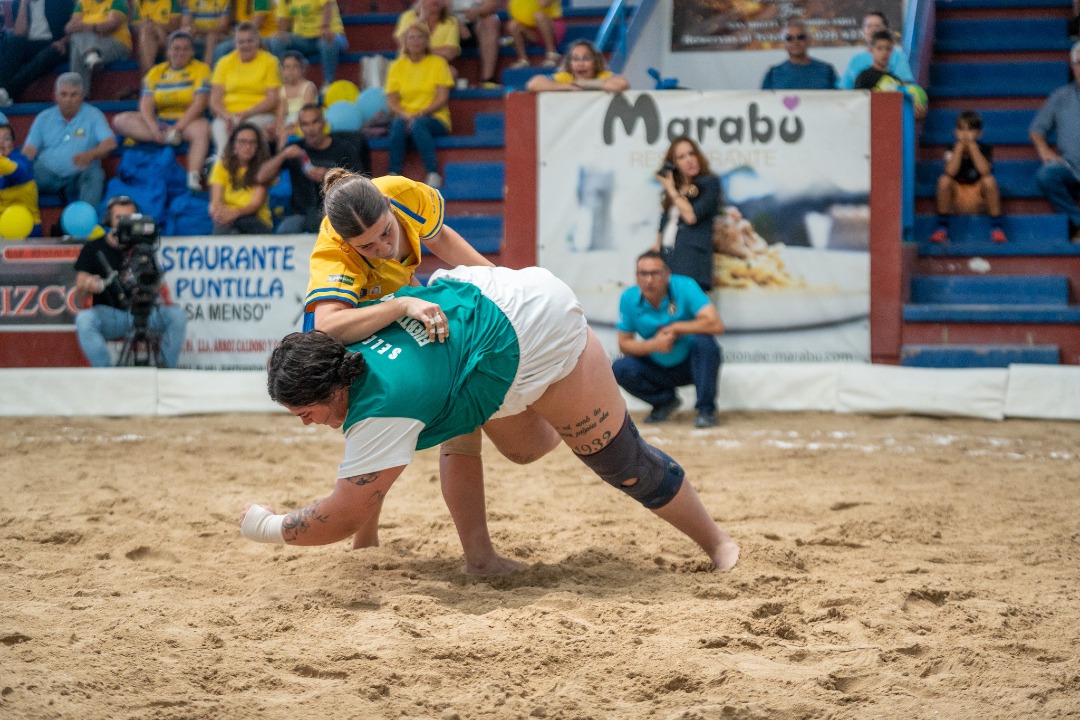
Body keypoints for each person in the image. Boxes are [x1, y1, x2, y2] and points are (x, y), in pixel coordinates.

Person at [240, 265, 741, 574]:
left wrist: (265, 526)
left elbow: (343, 509)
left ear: (332, 387)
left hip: (538, 328)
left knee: (623, 463)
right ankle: (481, 560)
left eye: (306, 414)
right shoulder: (344, 342)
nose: (307, 424)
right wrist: (367, 537)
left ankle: (718, 544)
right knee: (516, 447)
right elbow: (368, 465)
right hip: (474, 322)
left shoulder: (382, 408)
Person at [303, 169, 509, 574]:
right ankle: (367, 543)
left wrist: (499, 281)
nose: (382, 246)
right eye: (367, 245)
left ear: (388, 206)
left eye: (386, 232)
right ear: (345, 243)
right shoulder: (332, 251)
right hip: (359, 327)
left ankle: (476, 556)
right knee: (379, 437)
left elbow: (442, 237)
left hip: (405, 297)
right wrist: (400, 306)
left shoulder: (400, 191)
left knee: (459, 414)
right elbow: (328, 326)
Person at [72, 195, 188, 367]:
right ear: (108, 220)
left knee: (177, 316)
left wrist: (154, 284)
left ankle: (166, 370)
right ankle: (105, 373)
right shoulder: (93, 248)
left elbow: (156, 283)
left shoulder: (144, 246)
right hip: (112, 315)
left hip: (145, 312)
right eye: (119, 218)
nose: (124, 223)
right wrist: (88, 285)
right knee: (85, 320)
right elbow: (80, 290)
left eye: (129, 218)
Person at [612, 251, 723, 428]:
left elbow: (715, 324)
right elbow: (624, 344)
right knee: (620, 368)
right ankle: (665, 402)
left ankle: (706, 410)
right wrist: (653, 345)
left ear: (667, 274)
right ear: (636, 276)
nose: (649, 280)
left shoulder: (685, 286)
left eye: (655, 273)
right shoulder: (628, 298)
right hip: (657, 367)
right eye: (643, 274)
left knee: (705, 345)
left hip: (691, 366)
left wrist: (676, 328)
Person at [111, 30, 212, 193]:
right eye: (176, 48)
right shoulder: (156, 72)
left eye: (186, 49)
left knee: (203, 129)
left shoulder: (202, 69)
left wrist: (177, 127)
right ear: (168, 51)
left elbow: (200, 104)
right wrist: (153, 127)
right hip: (161, 121)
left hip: (187, 121)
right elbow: (145, 104)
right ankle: (166, 139)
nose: (180, 52)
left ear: (192, 52)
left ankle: (193, 176)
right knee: (120, 120)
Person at [256, 103, 368, 234]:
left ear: (324, 123)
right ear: (300, 127)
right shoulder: (295, 148)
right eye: (305, 124)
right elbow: (260, 176)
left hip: (335, 212)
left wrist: (331, 177)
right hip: (300, 214)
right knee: (284, 230)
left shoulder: (344, 149)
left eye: (315, 122)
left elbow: (362, 184)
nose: (311, 129)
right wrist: (282, 155)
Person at [22, 73, 115, 209]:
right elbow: (29, 150)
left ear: (82, 96)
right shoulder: (43, 118)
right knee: (19, 174)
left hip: (78, 176)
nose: (68, 100)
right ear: (55, 96)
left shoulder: (94, 115)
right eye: (63, 94)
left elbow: (110, 143)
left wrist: (90, 154)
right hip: (46, 174)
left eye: (73, 95)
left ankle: (85, 222)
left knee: (95, 173)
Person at [385, 23, 454, 188]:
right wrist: (405, 114)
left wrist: (419, 113)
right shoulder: (397, 66)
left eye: (420, 37)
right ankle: (393, 173)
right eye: (411, 38)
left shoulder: (438, 63)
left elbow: (442, 97)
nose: (416, 41)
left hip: (434, 117)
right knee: (397, 124)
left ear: (427, 41)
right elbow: (391, 100)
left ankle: (433, 173)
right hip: (405, 116)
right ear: (405, 42)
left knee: (419, 125)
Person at [651, 135, 722, 293]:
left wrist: (670, 188)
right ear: (674, 164)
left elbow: (690, 216)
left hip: (691, 262)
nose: (689, 160)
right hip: (667, 261)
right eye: (682, 157)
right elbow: (662, 229)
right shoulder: (675, 192)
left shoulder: (709, 183)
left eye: (691, 154)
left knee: (690, 315)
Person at [931, 110, 1006, 244]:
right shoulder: (951, 148)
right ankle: (942, 228)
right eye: (961, 129)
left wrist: (973, 148)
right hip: (957, 199)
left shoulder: (985, 148)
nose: (965, 134)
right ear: (955, 132)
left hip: (978, 198)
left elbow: (985, 171)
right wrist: (959, 150)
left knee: (989, 181)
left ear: (979, 133)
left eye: (970, 129)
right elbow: (950, 172)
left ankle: (997, 228)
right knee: (944, 180)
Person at [1031, 40, 1080, 242]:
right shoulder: (1061, 96)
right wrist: (1046, 152)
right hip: (1071, 169)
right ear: (1073, 66)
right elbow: (1036, 130)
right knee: (1046, 175)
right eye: (1079, 63)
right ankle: (1078, 222)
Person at [208, 21, 281, 156]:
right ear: (235, 43)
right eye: (241, 42)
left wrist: (247, 113)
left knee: (246, 132)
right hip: (228, 116)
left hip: (260, 114)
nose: (245, 45)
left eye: (249, 41)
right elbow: (214, 100)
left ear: (257, 41)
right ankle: (222, 170)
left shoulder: (270, 61)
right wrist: (227, 117)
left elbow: (273, 98)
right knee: (222, 142)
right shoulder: (224, 62)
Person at [0, 0, 74, 108]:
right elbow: (20, 34)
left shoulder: (60, 2)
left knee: (50, 53)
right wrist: (24, 4)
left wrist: (63, 41)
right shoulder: (17, 3)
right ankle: (2, 89)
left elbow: (73, 27)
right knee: (14, 42)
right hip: (30, 45)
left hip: (55, 43)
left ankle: (7, 91)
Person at [208, 122, 273, 234]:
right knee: (224, 228)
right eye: (243, 142)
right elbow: (216, 201)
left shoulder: (263, 168)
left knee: (235, 227)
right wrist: (219, 212)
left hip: (256, 220)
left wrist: (234, 213)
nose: (248, 147)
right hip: (228, 219)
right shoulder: (221, 166)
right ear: (234, 144)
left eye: (252, 143)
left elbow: (255, 204)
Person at [268, 0, 347, 87]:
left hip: (330, 35)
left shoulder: (260, 2)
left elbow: (327, 5)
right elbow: (284, 18)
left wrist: (325, 27)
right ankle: (284, 83)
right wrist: (281, 33)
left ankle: (328, 84)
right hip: (302, 39)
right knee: (277, 40)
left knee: (327, 42)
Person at [63, 0, 133, 95]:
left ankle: (79, 95)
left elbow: (111, 25)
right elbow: (69, 27)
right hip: (90, 41)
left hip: (117, 42)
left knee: (77, 41)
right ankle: (91, 55)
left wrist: (90, 28)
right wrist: (90, 29)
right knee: (76, 38)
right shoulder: (83, 2)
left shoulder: (118, 1)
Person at [838, 11, 913, 90]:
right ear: (863, 30)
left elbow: (903, 85)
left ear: (885, 29)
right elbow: (845, 87)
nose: (873, 30)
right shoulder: (856, 60)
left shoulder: (898, 56)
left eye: (877, 26)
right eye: (869, 26)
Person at [525, 39, 629, 93]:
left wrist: (586, 84)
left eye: (586, 59)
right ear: (569, 63)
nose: (580, 64)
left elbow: (622, 84)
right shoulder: (566, 78)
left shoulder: (602, 76)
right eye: (575, 59)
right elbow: (533, 84)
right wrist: (568, 86)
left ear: (595, 62)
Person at [760, 21, 838, 91]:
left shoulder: (826, 71)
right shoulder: (773, 74)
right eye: (789, 38)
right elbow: (765, 103)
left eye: (800, 37)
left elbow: (840, 102)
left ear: (808, 40)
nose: (795, 42)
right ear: (784, 43)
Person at [0, 123, 43, 237]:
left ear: (12, 144)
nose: (1, 143)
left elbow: (18, 173)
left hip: (27, 226)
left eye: (6, 139)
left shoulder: (22, 160)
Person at [270, 50, 318, 149]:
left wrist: (292, 127)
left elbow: (306, 111)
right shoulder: (283, 90)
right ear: (282, 70)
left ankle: (281, 159)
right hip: (288, 122)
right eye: (287, 67)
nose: (291, 70)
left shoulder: (308, 87)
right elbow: (281, 114)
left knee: (284, 135)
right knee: (268, 132)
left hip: (305, 121)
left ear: (302, 68)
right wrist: (279, 127)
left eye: (295, 66)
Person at [394, 0, 460, 69]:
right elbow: (402, 42)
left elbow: (450, 53)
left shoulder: (451, 21)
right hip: (408, 65)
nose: (435, 1)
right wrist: (420, 20)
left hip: (434, 66)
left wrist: (419, 50)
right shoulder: (409, 16)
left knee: (451, 72)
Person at [449, 0, 500, 88]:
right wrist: (456, 23)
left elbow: (492, 5)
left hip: (476, 23)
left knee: (491, 21)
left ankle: (487, 79)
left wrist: (477, 11)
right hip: (449, 23)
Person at [211, 0, 278, 65]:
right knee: (215, 41)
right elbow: (234, 22)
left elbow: (256, 24)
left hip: (264, 36)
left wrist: (234, 36)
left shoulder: (261, 0)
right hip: (242, 35)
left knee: (222, 48)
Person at [506, 0, 563, 69]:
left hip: (553, 28)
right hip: (532, 30)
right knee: (513, 25)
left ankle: (552, 54)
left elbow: (543, 3)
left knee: (539, 16)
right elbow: (511, 7)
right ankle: (523, 60)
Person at [132, 0, 181, 76]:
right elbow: (135, 28)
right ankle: (150, 75)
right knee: (146, 31)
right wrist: (152, 26)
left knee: (148, 31)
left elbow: (174, 27)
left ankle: (148, 78)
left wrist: (154, 24)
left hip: (168, 40)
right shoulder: (139, 3)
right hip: (150, 41)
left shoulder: (172, 1)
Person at [179, 0, 229, 64]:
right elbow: (185, 24)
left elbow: (223, 27)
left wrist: (200, 30)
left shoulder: (223, 1)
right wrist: (190, 29)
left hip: (216, 34)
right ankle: (180, 70)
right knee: (184, 33)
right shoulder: (190, 1)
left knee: (211, 37)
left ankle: (206, 70)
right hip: (197, 34)